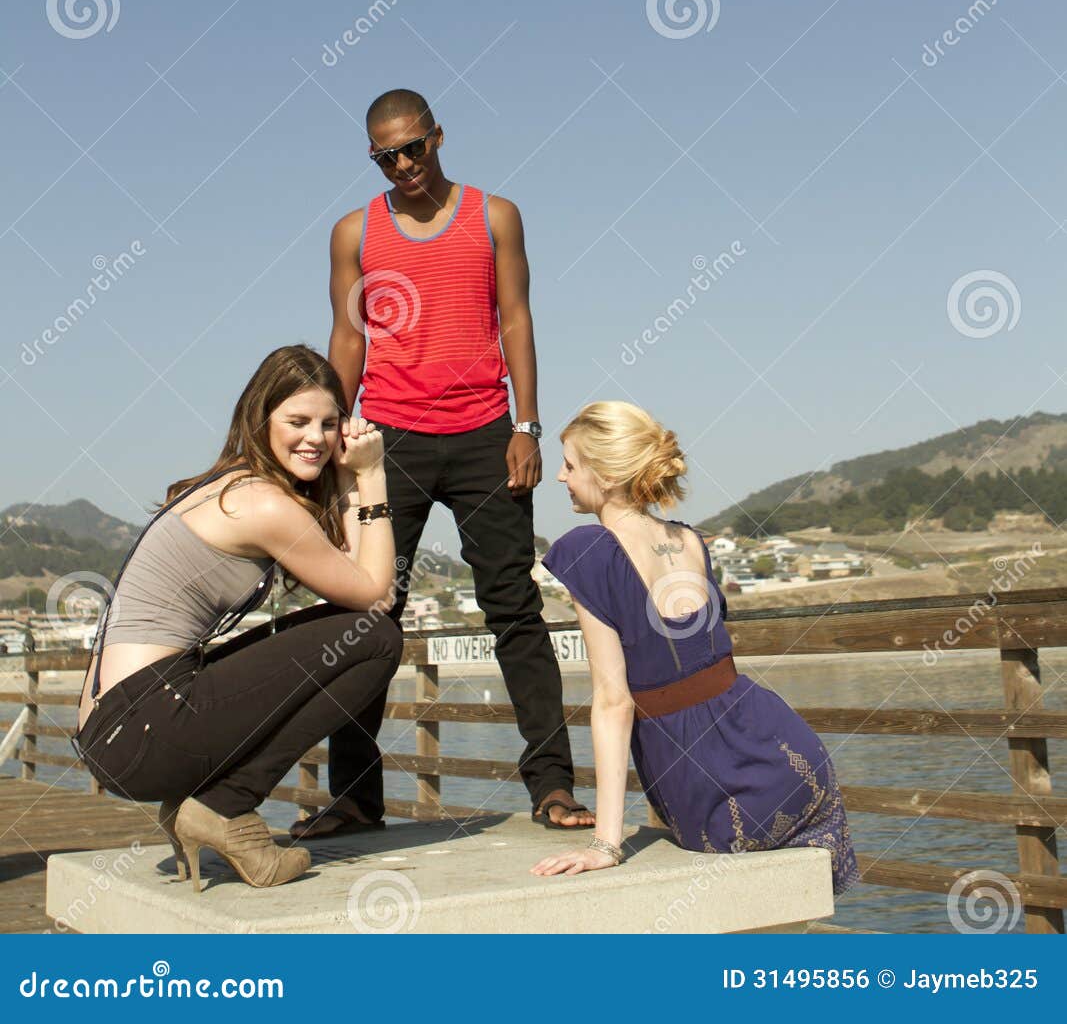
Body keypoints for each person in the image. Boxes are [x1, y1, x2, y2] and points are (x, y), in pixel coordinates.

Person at [295, 86, 593, 839]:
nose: (403, 165)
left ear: (436, 136)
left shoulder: (495, 216)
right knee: (368, 614)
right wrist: (334, 438)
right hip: (387, 441)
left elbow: (516, 318)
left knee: (514, 610)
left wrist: (526, 425)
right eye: (385, 157)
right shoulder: (354, 232)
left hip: (485, 435)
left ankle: (553, 787)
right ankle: (355, 800)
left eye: (412, 148)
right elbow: (348, 338)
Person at [73, 345, 401, 891]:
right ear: (261, 418)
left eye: (329, 424)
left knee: (350, 631)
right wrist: (372, 476)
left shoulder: (233, 483)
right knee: (376, 639)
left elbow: (352, 575)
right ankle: (225, 807)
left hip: (123, 724)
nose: (315, 438)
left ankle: (213, 805)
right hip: (141, 726)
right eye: (297, 421)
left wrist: (345, 477)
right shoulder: (262, 504)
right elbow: (376, 594)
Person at [531, 401, 861, 891]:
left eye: (570, 465)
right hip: (792, 762)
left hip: (712, 788)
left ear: (607, 474)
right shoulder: (689, 540)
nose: (560, 476)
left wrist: (606, 844)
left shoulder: (589, 551)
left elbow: (614, 701)